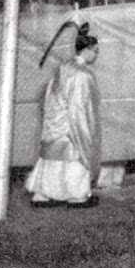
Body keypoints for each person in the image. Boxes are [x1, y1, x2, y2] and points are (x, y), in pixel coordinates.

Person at [26, 22, 102, 208]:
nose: (97, 55)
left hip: (54, 125)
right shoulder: (82, 75)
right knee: (74, 159)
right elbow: (80, 108)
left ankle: (42, 194)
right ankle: (76, 195)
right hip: (70, 128)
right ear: (89, 49)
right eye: (96, 50)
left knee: (52, 161)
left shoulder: (64, 67)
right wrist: (85, 132)